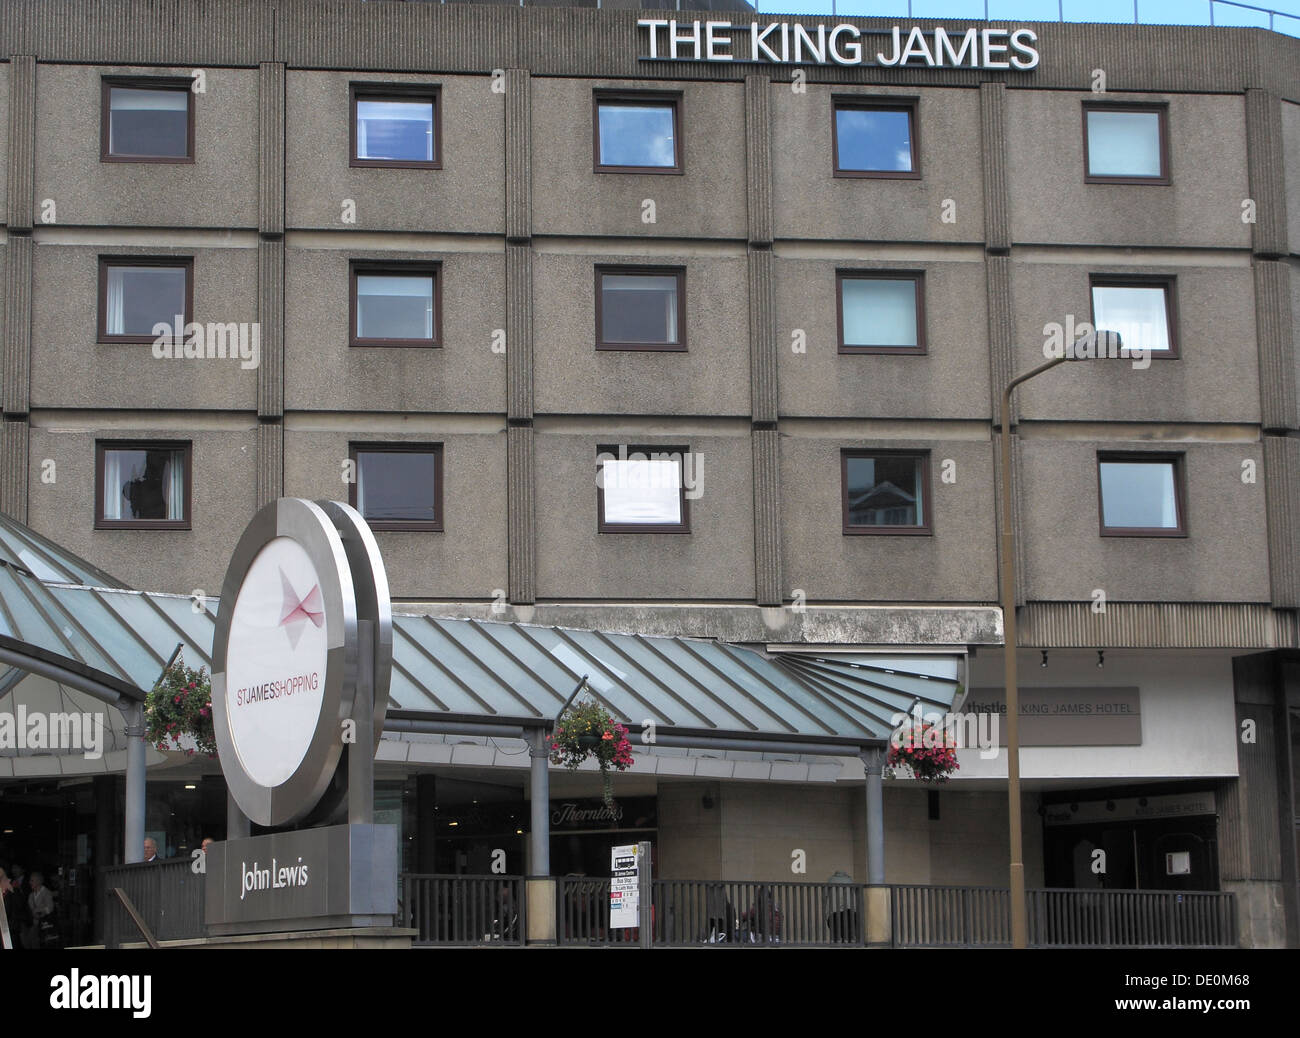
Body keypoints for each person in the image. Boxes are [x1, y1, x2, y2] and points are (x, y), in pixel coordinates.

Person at [26, 872, 54, 949]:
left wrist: (41, 913)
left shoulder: (46, 892)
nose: (29, 882)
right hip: (35, 924)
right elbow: (31, 909)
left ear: (38, 881)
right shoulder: (31, 895)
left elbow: (50, 907)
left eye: (32, 880)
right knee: (32, 942)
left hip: (45, 925)